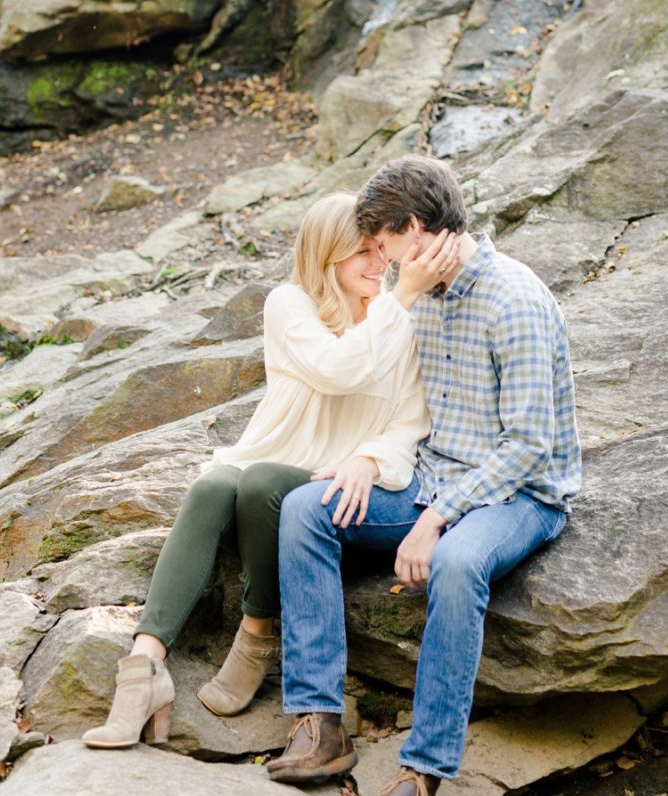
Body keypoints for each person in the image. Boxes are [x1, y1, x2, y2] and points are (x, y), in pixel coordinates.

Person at [266, 155, 581, 796]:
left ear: (413, 231)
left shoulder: (514, 300)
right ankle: (320, 723)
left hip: (518, 494)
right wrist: (365, 459)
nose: (377, 265)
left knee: (459, 565)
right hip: (435, 473)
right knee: (304, 509)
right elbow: (397, 405)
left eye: (381, 248)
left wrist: (435, 520)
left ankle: (421, 775)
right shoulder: (416, 297)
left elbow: (527, 446)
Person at [83, 190, 458, 750]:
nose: (383, 265)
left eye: (383, 251)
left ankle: (258, 632)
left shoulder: (401, 317)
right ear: (326, 255)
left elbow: (410, 421)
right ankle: (143, 669)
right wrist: (398, 298)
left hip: (324, 495)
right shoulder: (291, 304)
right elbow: (337, 370)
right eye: (364, 254)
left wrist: (368, 459)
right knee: (214, 485)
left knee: (262, 483)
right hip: (264, 479)